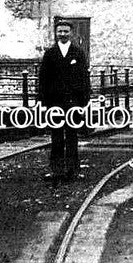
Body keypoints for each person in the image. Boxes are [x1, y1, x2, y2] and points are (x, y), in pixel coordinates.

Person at [37, 21, 90, 182]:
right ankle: (56, 171)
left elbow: (84, 78)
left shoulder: (78, 53)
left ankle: (73, 170)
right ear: (56, 33)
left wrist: (84, 101)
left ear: (71, 33)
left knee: (72, 136)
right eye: (60, 31)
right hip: (55, 103)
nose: (63, 34)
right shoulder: (50, 53)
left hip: (73, 102)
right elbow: (43, 79)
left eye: (66, 31)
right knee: (56, 137)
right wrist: (43, 102)